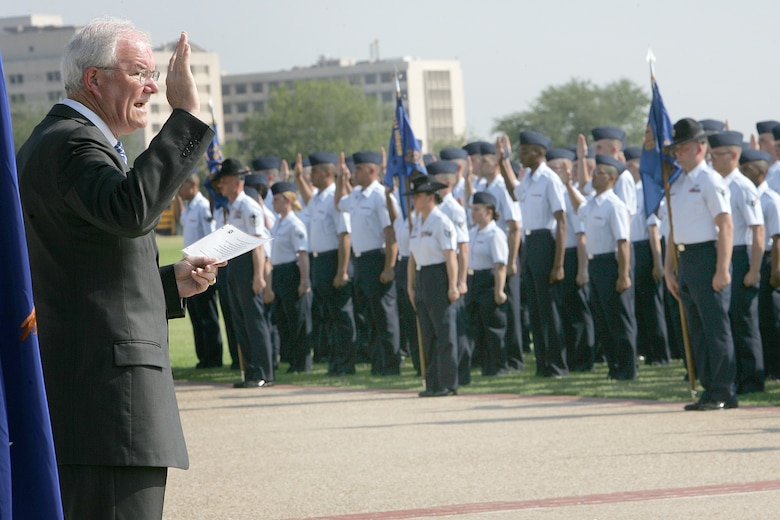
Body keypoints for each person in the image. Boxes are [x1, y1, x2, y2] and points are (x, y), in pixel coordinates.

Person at [17, 19, 219, 518]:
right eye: (139, 72)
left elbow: (85, 267)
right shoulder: (72, 143)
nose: (153, 85)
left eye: (154, 73)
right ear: (95, 80)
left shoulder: (66, 141)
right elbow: (131, 212)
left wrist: (171, 284)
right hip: (107, 408)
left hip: (95, 402)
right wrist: (186, 117)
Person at [664, 118, 737, 411]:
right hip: (686, 258)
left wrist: (722, 268)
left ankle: (724, 391)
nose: (676, 154)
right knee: (697, 329)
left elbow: (726, 225)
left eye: (681, 148)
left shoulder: (709, 180)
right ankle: (709, 388)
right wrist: (669, 268)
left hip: (707, 256)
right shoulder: (680, 182)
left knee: (715, 328)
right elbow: (672, 228)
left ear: (698, 148)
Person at [500, 131, 568, 377]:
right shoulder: (528, 179)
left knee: (549, 308)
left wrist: (558, 264)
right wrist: (502, 162)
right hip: (529, 243)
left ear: (540, 153)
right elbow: (513, 192)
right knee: (536, 309)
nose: (521, 154)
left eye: (525, 151)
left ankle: (557, 364)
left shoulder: (550, 179)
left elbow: (561, 221)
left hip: (545, 241)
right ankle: (543, 364)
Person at [569, 155, 637, 380]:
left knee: (619, 318)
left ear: (611, 178)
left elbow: (623, 242)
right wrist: (567, 185)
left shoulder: (614, 205)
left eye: (599, 172)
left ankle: (627, 368)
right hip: (595, 263)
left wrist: (623, 274)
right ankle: (613, 366)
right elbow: (579, 208)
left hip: (612, 263)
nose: (593, 175)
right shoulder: (592, 203)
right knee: (602, 319)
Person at [708, 131, 766, 394]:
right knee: (728, 321)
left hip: (742, 255)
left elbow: (758, 230)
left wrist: (754, 269)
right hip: (725, 253)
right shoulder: (717, 183)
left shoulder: (742, 186)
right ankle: (735, 377)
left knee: (744, 322)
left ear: (733, 155)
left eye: (716, 155)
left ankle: (752, 380)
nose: (711, 160)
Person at [336, 151, 401, 375]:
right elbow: (339, 204)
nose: (355, 173)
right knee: (369, 315)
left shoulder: (380, 195)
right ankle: (377, 363)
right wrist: (342, 179)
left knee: (384, 315)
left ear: (372, 171)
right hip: (361, 260)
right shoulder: (355, 194)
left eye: (358, 169)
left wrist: (389, 267)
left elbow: (391, 233)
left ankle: (391, 364)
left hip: (378, 258)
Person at [215, 158, 275, 388]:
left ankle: (263, 372)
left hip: (249, 266)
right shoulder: (233, 207)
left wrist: (259, 275)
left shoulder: (249, 207)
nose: (221, 186)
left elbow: (258, 244)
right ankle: (250, 371)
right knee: (240, 321)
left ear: (237, 183)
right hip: (235, 265)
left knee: (254, 321)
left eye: (225, 181)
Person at [295, 152, 356, 375]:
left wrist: (341, 270)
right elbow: (309, 203)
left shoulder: (336, 199)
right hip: (321, 260)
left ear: (329, 173)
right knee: (330, 315)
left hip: (335, 260)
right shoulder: (320, 197)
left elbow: (345, 236)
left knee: (341, 314)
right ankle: (335, 361)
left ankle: (346, 362)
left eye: (315, 173)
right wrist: (299, 179)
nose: (311, 177)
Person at [406, 176, 460, 396]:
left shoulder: (441, 221)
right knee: (427, 334)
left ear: (430, 197)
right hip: (423, 276)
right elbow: (412, 256)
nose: (414, 201)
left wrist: (453, 285)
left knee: (444, 333)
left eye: (417, 196)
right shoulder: (418, 221)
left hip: (439, 276)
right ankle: (432, 383)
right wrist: (411, 286)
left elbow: (451, 256)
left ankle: (447, 383)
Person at [547, 148, 595, 371]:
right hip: (557, 255)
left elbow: (581, 235)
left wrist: (582, 269)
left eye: (554, 168)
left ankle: (583, 360)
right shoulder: (552, 192)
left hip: (573, 256)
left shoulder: (571, 195)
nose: (550, 172)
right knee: (563, 311)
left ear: (567, 169)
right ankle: (571, 357)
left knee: (578, 311)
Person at [625, 146, 670, 366]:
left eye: (632, 165)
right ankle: (646, 349)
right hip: (633, 249)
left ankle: (660, 354)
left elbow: (653, 228)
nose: (629, 169)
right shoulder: (629, 189)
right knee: (639, 306)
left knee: (652, 305)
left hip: (646, 249)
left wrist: (656, 262)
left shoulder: (647, 190)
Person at [428, 160, 472, 384]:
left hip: (452, 270)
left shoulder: (453, 208)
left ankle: (461, 374)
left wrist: (461, 280)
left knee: (457, 325)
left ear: (445, 183)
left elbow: (463, 246)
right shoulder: (433, 207)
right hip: (438, 269)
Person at [739, 149, 780, 381]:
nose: (743, 173)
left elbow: (778, 239)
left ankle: (776, 367)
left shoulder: (771, 199)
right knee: (756, 317)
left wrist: (775, 270)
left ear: (762, 172)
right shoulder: (749, 196)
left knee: (771, 316)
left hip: (768, 260)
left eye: (748, 170)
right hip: (750, 258)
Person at [176, 173, 223, 369]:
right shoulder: (189, 207)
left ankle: (214, 357)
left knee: (208, 315)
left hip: (203, 269)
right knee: (196, 316)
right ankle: (203, 357)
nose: (179, 189)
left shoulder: (203, 206)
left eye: (181, 186)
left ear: (193, 185)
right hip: (191, 268)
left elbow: (211, 237)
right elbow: (182, 223)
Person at [270, 181, 314, 373]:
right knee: (285, 318)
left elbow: (302, 254)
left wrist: (304, 281)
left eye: (277, 199)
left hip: (291, 273)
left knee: (298, 320)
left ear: (287, 201)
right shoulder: (279, 222)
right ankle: (291, 359)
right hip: (279, 272)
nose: (273, 203)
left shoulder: (295, 224)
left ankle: (302, 363)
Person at [467, 192, 510, 375]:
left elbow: (500, 264)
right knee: (477, 326)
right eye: (472, 209)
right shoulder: (472, 232)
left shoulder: (495, 234)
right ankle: (483, 364)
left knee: (493, 327)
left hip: (489, 280)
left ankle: (498, 366)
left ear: (489, 212)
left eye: (477, 209)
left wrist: (499, 290)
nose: (473, 213)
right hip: (473, 279)